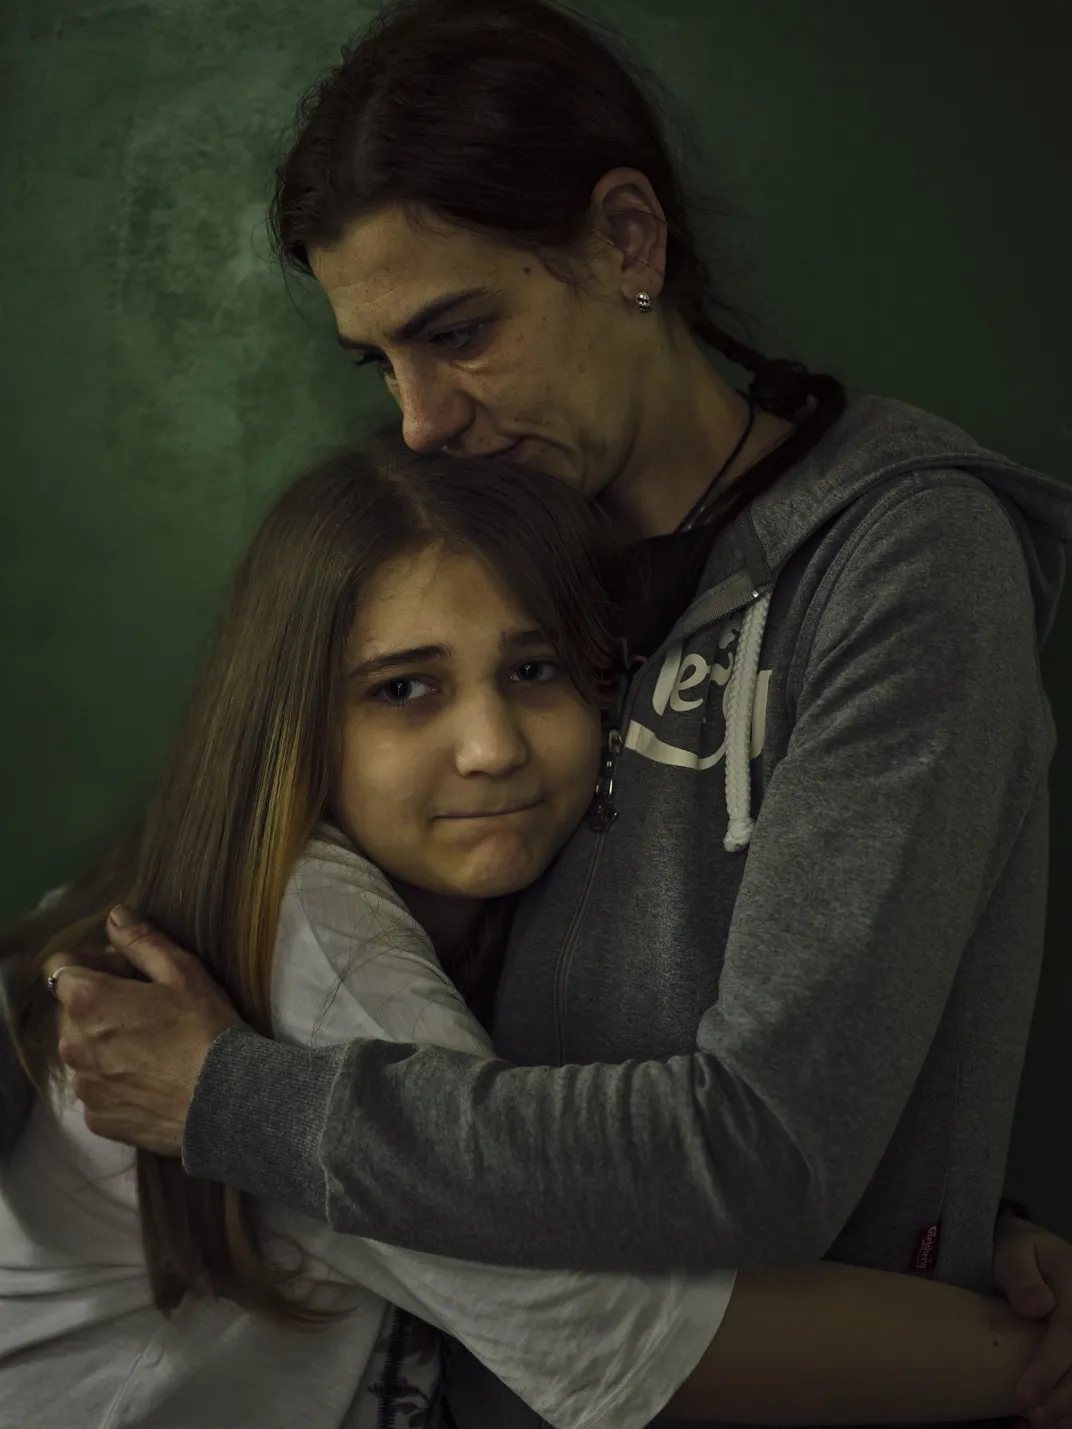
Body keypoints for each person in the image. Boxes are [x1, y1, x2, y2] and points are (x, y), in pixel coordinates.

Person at [16, 0, 1072, 1426]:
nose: (420, 418)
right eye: (381, 362)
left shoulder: (901, 562)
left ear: (628, 243)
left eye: (458, 333)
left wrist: (239, 1100)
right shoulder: (501, 567)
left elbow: (768, 1151)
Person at [2, 432, 1055, 1429]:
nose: (490, 746)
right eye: (403, 689)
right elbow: (620, 1333)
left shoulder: (514, 902)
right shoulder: (300, 937)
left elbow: (566, 1178)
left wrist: (973, 1240)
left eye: (533, 670)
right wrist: (1029, 1353)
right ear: (296, 725)